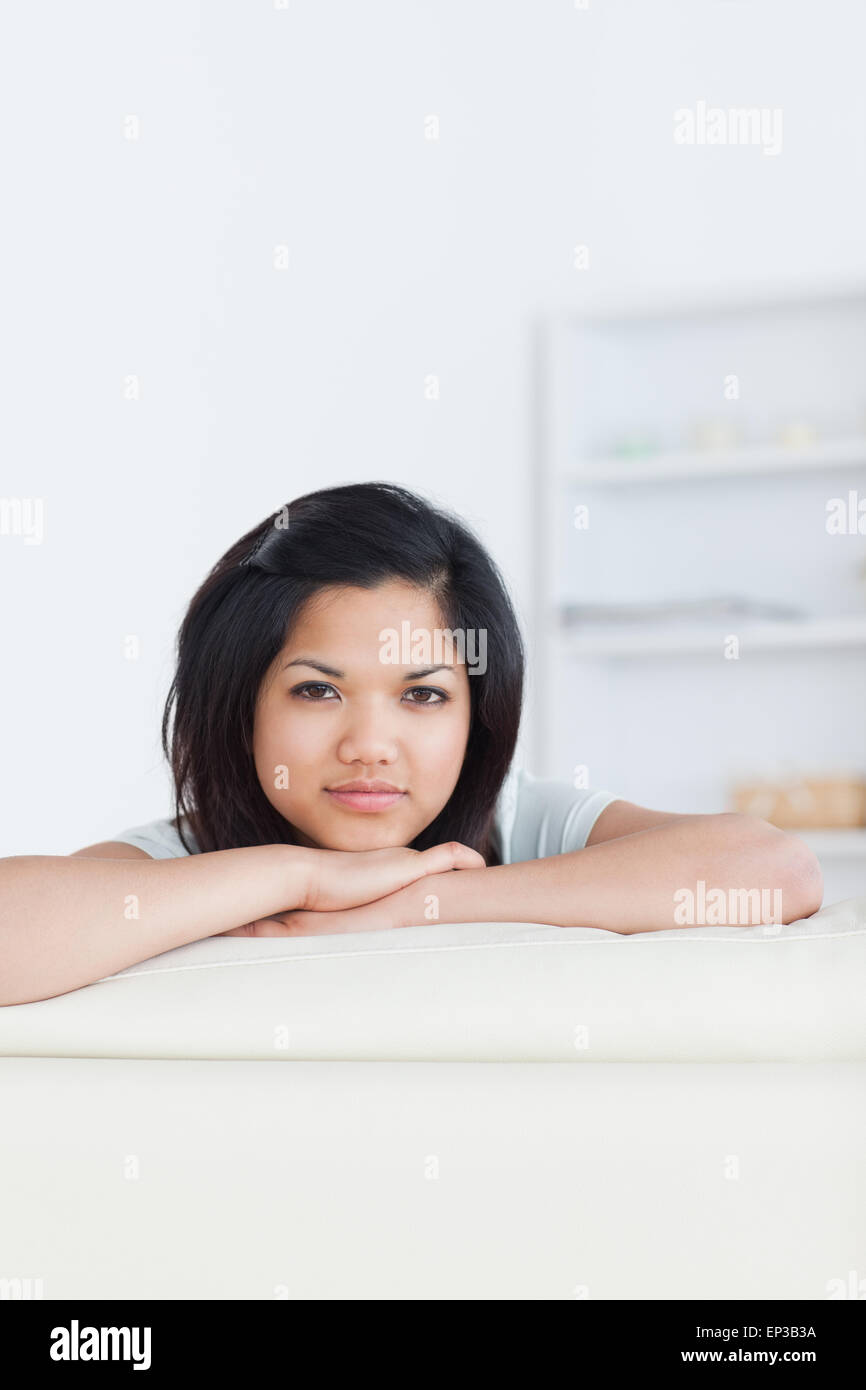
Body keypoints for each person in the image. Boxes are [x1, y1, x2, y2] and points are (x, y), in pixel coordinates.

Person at [0, 482, 822, 1005]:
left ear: (478, 714)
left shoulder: (528, 823)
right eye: (317, 690)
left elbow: (773, 872)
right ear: (240, 705)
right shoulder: (190, 859)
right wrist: (308, 878)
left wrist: (412, 906)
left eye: (423, 695)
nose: (370, 745)